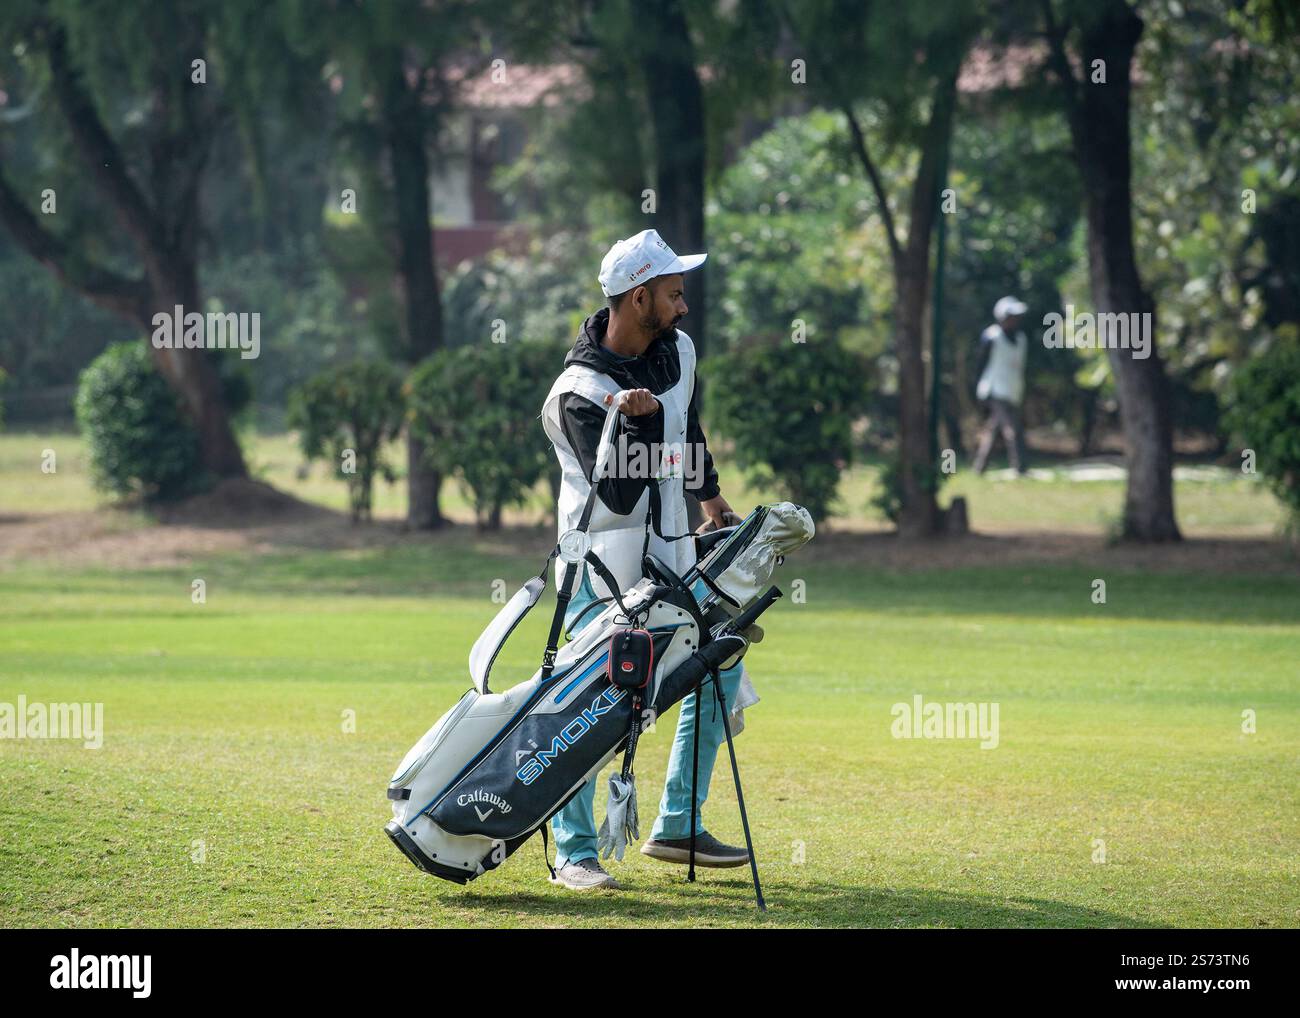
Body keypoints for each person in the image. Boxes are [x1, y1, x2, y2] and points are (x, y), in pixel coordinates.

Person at [539, 228, 754, 890]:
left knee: (718, 664)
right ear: (638, 298)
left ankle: (677, 825)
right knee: (584, 700)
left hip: (670, 554)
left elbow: (688, 431)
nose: (683, 306)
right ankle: (575, 853)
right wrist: (630, 420)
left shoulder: (678, 351)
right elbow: (619, 491)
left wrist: (714, 503)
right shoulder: (578, 390)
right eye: (673, 293)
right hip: (598, 568)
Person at [972, 295, 1030, 475]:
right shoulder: (992, 336)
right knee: (1013, 429)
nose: (1014, 320)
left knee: (993, 429)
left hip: (1013, 390)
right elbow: (980, 363)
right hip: (995, 390)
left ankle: (979, 468)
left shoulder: (1021, 339)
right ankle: (1020, 467)